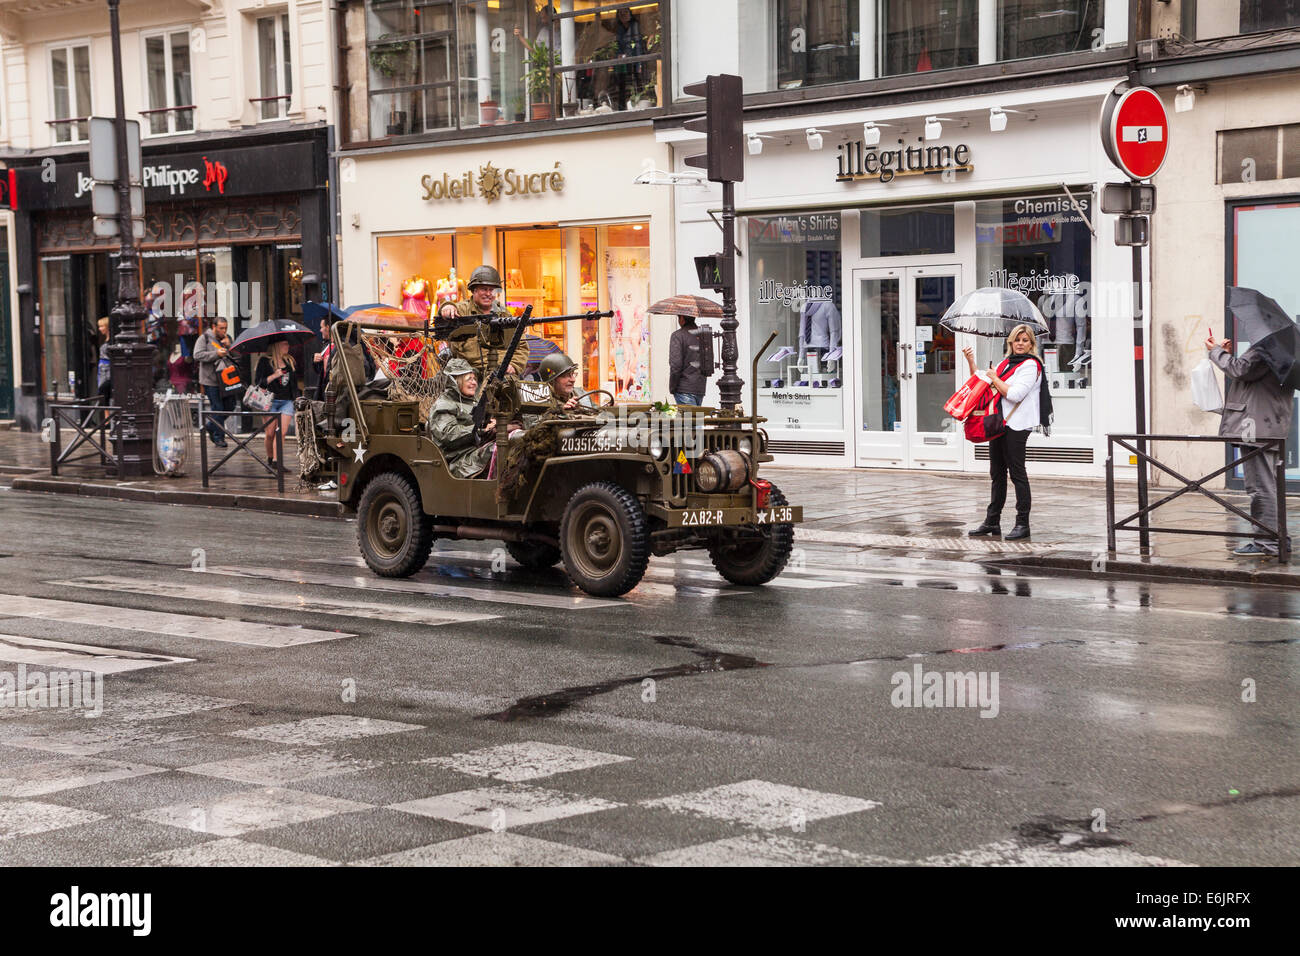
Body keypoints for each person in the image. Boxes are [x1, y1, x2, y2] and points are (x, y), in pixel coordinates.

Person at [1207, 333, 1296, 556]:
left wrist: (1215, 351)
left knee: (1260, 486)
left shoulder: (1266, 348)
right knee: (1270, 486)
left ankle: (1268, 543)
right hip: (1269, 425)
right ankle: (1277, 539)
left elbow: (1240, 370)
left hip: (1254, 427)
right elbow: (1249, 372)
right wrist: (1227, 354)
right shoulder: (1285, 350)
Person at [964, 324, 1052, 541]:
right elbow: (982, 385)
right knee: (997, 474)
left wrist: (995, 378)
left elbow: (1014, 394)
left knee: (1017, 474)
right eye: (1016, 339)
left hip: (1018, 425)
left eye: (1025, 340)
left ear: (1032, 344)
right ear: (1010, 342)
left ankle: (1023, 524)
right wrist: (971, 362)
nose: (1020, 343)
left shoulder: (1031, 365)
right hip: (1000, 423)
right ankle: (992, 521)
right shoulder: (1005, 363)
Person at [436, 265, 527, 378]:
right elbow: (446, 313)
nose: (488, 294)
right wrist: (447, 307)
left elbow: (521, 346)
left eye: (492, 290)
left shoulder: (504, 314)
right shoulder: (462, 310)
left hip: (502, 373)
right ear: (474, 290)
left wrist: (513, 365)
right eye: (484, 289)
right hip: (468, 374)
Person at [428, 357, 496, 479]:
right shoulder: (444, 405)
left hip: (475, 451)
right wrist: (481, 429)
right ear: (455, 381)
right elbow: (449, 434)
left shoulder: (473, 402)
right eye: (469, 379)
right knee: (499, 451)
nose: (474, 383)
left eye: (474, 379)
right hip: (459, 460)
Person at [255, 340, 298, 466]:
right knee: (270, 434)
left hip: (287, 401)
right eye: (285, 344)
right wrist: (274, 375)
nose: (288, 346)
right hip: (270, 401)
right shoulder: (264, 361)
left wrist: (296, 398)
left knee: (282, 432)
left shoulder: (289, 361)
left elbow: (293, 384)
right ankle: (270, 458)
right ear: (277, 345)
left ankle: (276, 461)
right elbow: (259, 382)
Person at [194, 318, 235, 448]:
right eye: (221, 328)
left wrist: (229, 346)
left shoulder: (227, 338)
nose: (224, 331)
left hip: (226, 379)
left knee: (230, 405)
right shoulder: (204, 338)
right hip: (210, 379)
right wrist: (216, 353)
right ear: (214, 327)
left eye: (225, 328)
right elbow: (197, 355)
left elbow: (234, 356)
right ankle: (219, 437)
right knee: (217, 408)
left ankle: (211, 426)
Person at [668, 315, 709, 405]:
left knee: (689, 419)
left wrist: (672, 387)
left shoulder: (678, 336)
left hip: (684, 388)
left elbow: (676, 365)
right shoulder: (703, 335)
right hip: (700, 388)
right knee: (697, 418)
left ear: (682, 318)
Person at [96, 317, 113, 408]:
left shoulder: (111, 342)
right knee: (103, 396)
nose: (99, 329)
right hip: (103, 370)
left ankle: (108, 421)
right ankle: (106, 421)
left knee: (104, 393)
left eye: (102, 326)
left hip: (107, 370)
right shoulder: (106, 340)